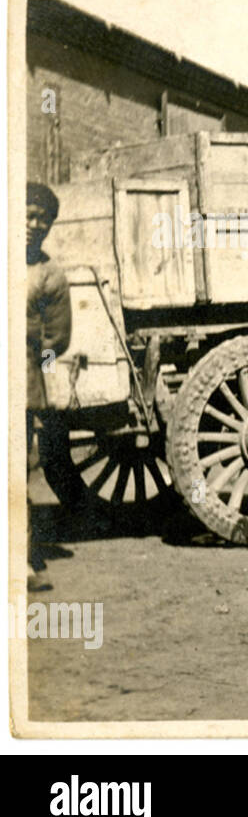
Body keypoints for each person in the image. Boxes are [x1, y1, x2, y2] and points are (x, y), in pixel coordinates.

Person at [26, 182, 72, 593]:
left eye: (43, 219)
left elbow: (56, 340)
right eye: (27, 214)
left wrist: (38, 376)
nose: (33, 224)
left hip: (20, 386)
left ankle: (20, 561)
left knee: (13, 473)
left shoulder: (50, 275)